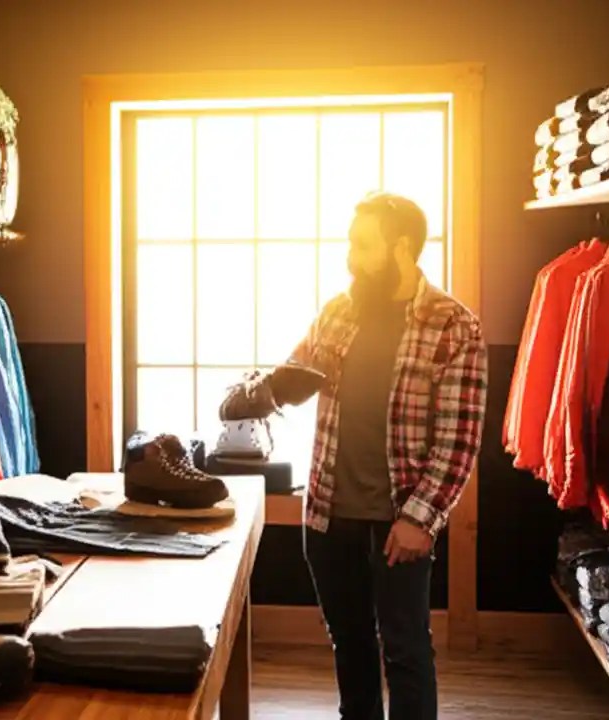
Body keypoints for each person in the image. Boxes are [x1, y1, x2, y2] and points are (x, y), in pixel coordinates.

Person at [238, 191, 487, 719]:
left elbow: (458, 441)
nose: (350, 256)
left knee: (405, 650)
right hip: (328, 514)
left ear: (401, 248)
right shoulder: (338, 311)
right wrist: (259, 390)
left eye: (362, 245)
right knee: (349, 643)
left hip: (398, 521)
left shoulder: (453, 325)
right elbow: (294, 372)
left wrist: (420, 519)